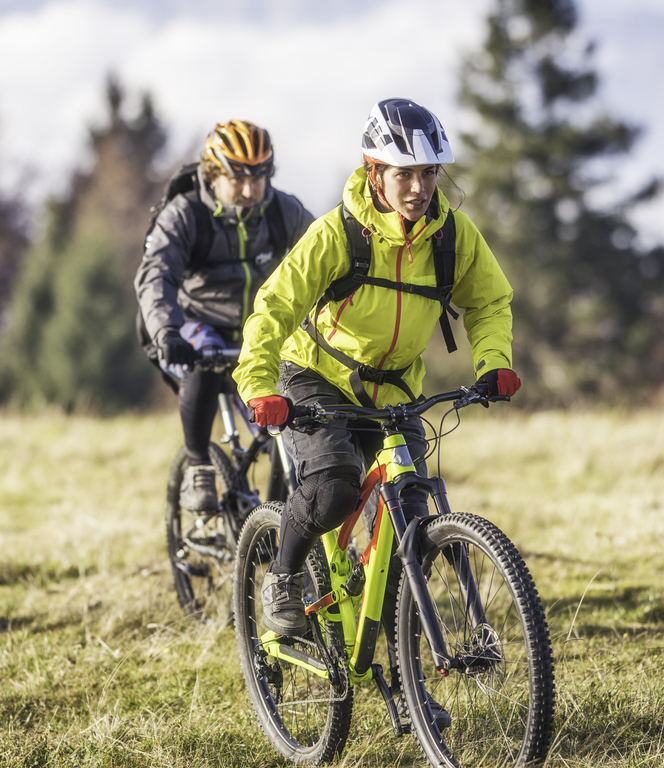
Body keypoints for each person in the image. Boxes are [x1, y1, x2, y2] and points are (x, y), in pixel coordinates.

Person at [233, 97, 520, 727]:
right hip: (316, 375)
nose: (418, 188)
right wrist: (259, 386)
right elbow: (274, 307)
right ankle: (283, 577)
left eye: (428, 174)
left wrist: (491, 362)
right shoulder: (339, 233)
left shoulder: (452, 236)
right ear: (374, 172)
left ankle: (405, 678)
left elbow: (490, 300)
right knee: (334, 487)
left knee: (411, 526)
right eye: (403, 174)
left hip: (394, 392)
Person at [135, 120, 313, 512]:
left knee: (288, 423)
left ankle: (279, 526)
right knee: (205, 359)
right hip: (194, 327)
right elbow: (156, 276)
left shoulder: (282, 211)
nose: (250, 191)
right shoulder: (185, 214)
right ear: (214, 176)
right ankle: (198, 464)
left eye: (259, 178)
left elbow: (325, 258)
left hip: (257, 330)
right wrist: (166, 331)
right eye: (238, 179)